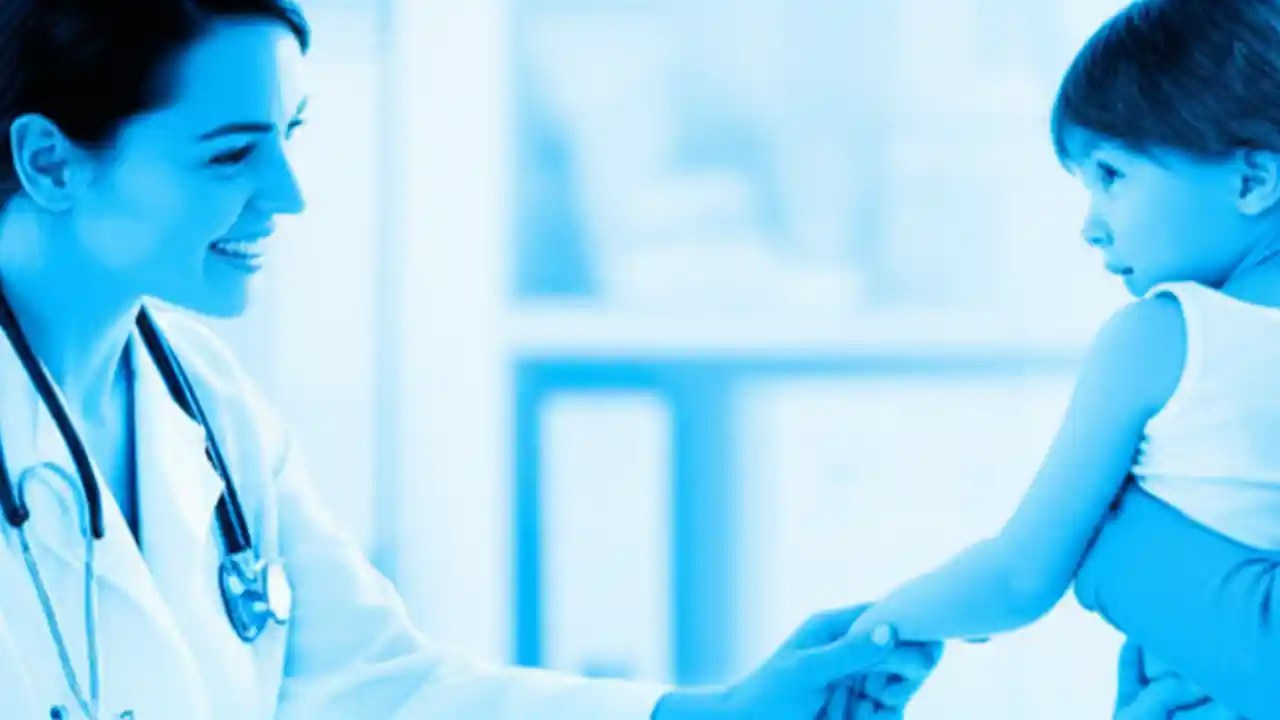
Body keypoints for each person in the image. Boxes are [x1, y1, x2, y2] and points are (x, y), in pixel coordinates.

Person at [0, 1, 945, 718]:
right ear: (49, 163)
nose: (287, 194)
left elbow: (387, 689)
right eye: (229, 157)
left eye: (289, 138)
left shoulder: (204, 404)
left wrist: (716, 712)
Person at [835, 1, 1280, 717]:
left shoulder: (1161, 338)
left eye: (1112, 175)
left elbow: (1018, 576)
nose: (1091, 225)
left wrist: (885, 624)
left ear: (1251, 182)